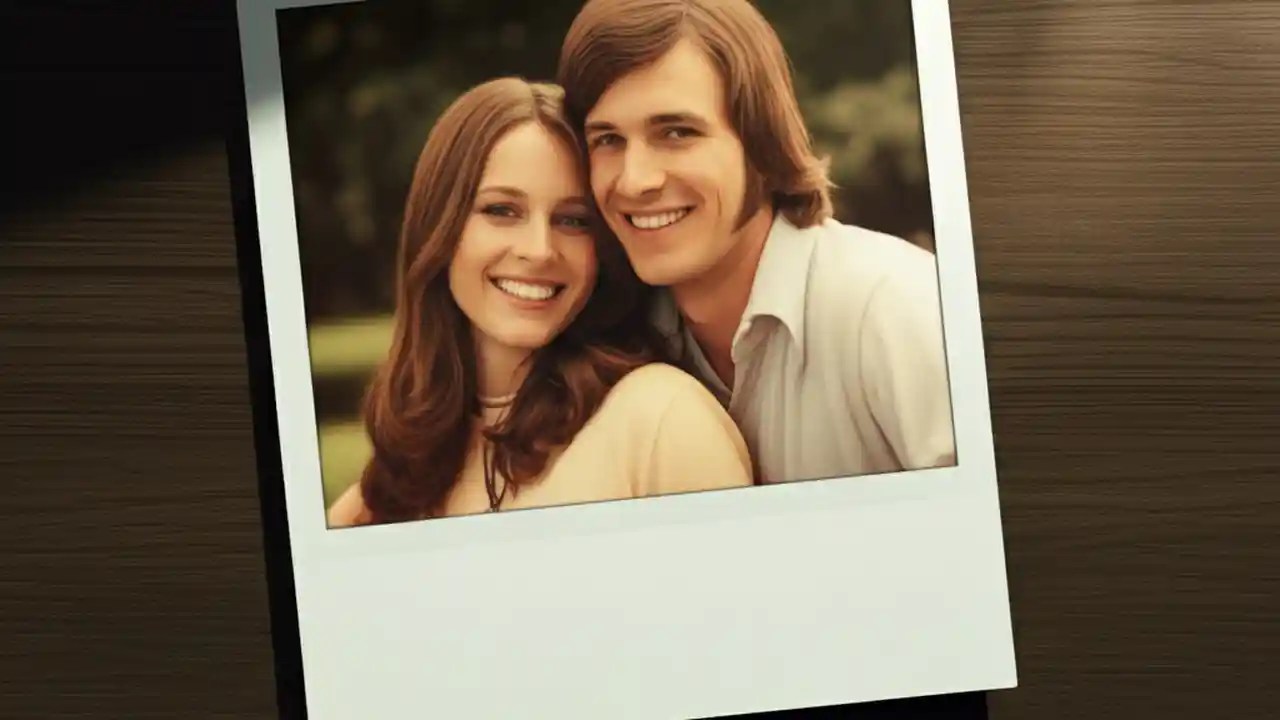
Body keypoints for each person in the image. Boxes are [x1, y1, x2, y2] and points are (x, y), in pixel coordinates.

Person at [556, 0, 956, 484]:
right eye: (608, 140)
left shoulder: (895, 306)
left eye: (677, 132)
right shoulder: (608, 342)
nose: (635, 180)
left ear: (761, 143)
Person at [327, 78, 752, 528]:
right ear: (439, 227)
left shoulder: (663, 423)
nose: (539, 250)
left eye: (573, 220)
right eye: (501, 211)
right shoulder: (406, 470)